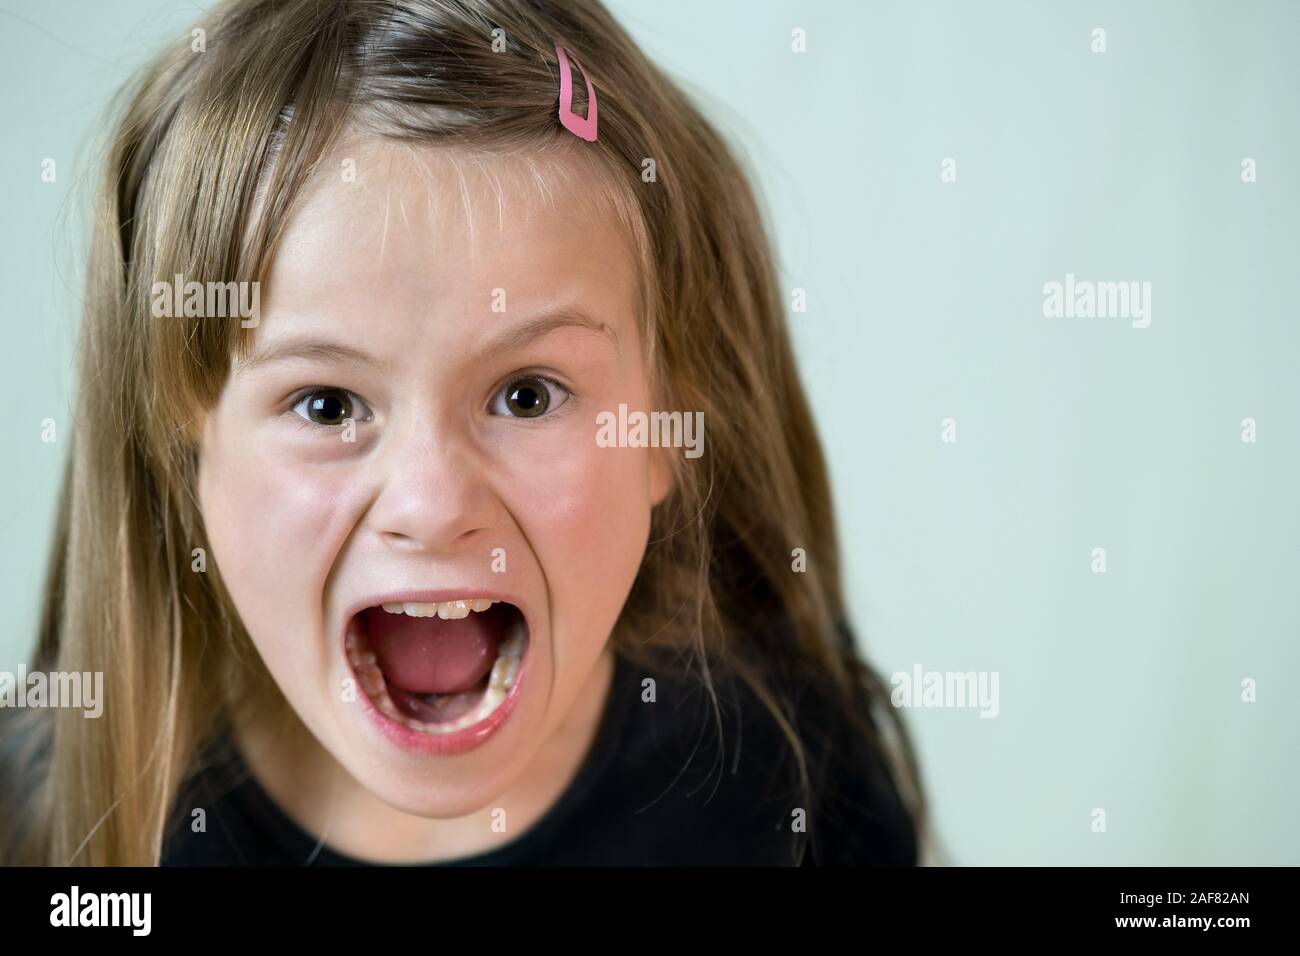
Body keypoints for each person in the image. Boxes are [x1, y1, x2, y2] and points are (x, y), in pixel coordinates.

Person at [0, 0, 925, 866]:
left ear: (668, 430)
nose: (433, 506)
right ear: (185, 446)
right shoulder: (52, 826)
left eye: (527, 395)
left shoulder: (790, 782)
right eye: (327, 405)